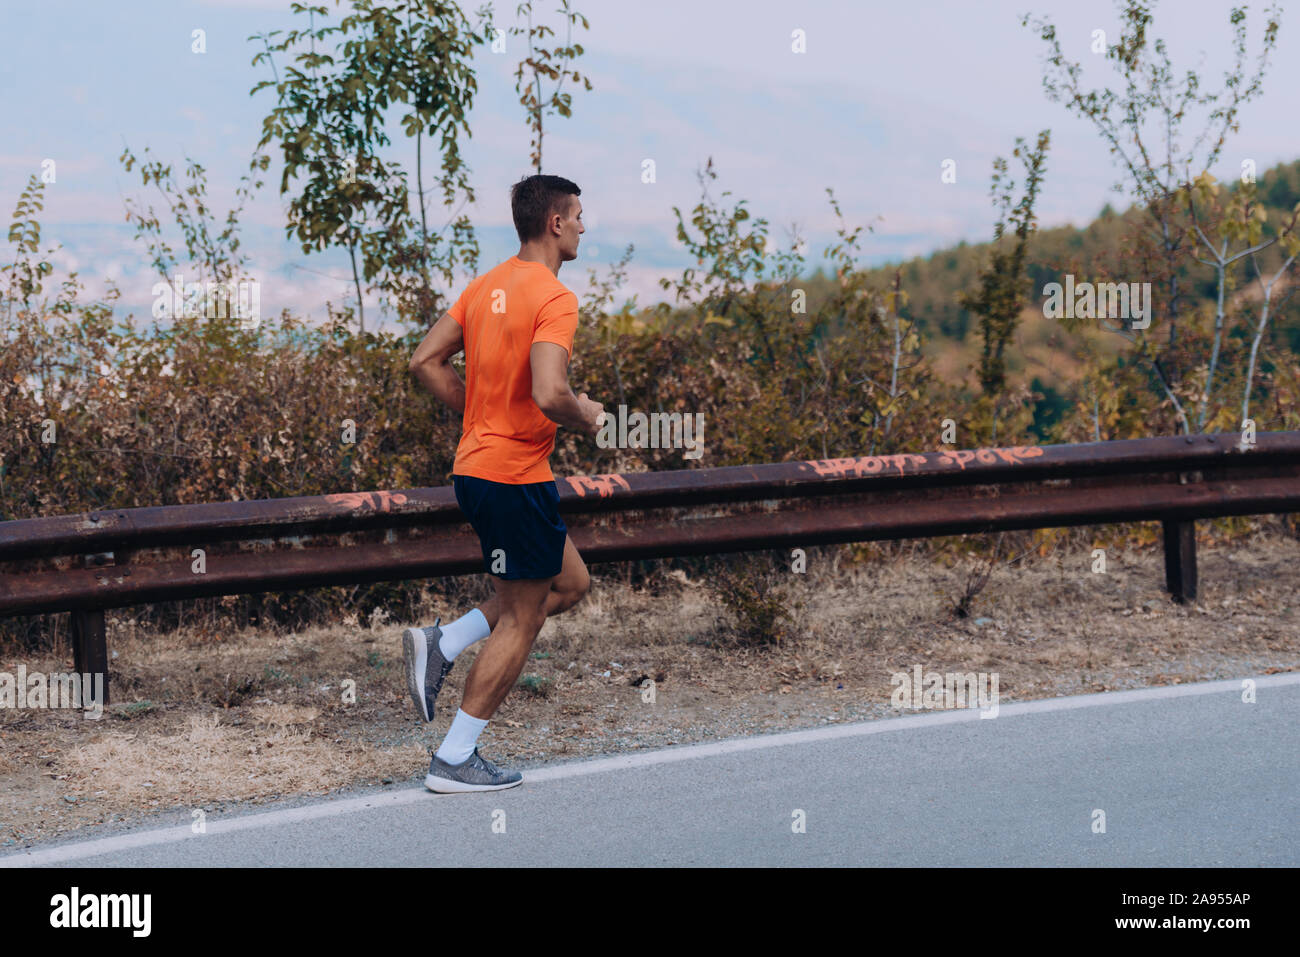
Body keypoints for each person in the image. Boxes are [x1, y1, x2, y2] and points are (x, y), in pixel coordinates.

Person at [405, 173, 604, 793]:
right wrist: (589, 415)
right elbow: (550, 393)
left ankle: (447, 639)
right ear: (554, 223)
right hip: (512, 477)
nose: (581, 226)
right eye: (577, 215)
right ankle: (454, 758)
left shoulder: (485, 284)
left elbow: (423, 360)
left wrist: (476, 415)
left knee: (569, 583)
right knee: (523, 618)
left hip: (479, 470)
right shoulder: (554, 297)